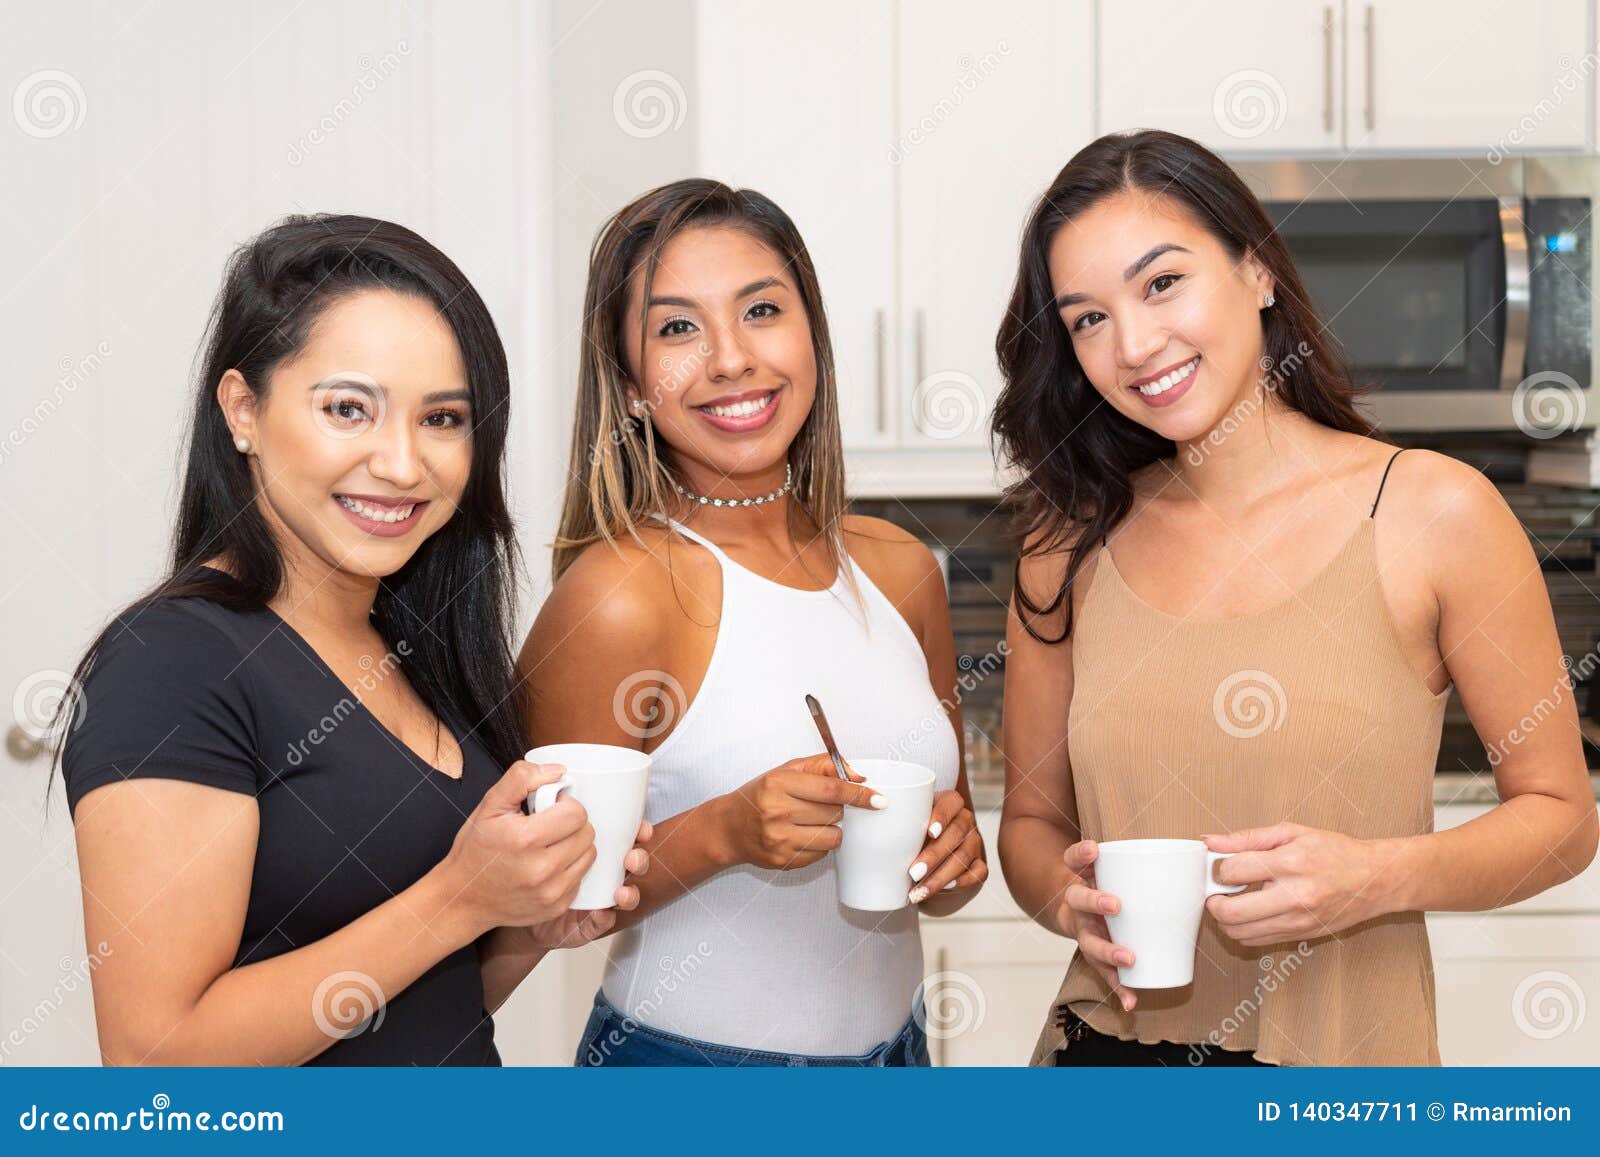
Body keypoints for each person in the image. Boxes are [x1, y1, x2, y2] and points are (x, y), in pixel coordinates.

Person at [994, 130, 1598, 1067]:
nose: (1135, 344)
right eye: (1088, 319)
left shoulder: (1433, 511)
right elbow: (1031, 826)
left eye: (1163, 283)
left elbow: (1562, 816)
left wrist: (1377, 876)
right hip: (1100, 1066)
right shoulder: (1065, 541)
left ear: (1258, 270)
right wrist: (1068, 902)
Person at [58, 215, 647, 1065]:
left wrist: (525, 921)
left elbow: (417, 1012)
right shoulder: (169, 663)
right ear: (243, 410)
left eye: (442, 418)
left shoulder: (413, 645)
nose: (403, 464)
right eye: (347, 409)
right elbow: (158, 1056)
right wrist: (458, 898)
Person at [522, 179, 987, 1066]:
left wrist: (954, 859)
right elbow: (545, 910)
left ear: (812, 337)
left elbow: (941, 877)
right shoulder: (615, 598)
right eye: (677, 328)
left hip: (902, 1057)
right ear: (630, 385)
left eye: (762, 310)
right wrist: (726, 831)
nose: (731, 358)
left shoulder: (902, 571)